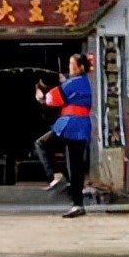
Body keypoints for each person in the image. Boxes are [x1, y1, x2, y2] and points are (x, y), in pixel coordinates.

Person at [35, 53, 93, 218]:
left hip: (70, 125)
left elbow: (53, 99)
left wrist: (41, 97)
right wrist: (64, 81)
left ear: (80, 67)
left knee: (41, 144)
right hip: (81, 127)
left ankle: (55, 175)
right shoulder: (82, 82)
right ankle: (77, 204)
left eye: (71, 64)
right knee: (75, 166)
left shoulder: (74, 83)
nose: (69, 67)